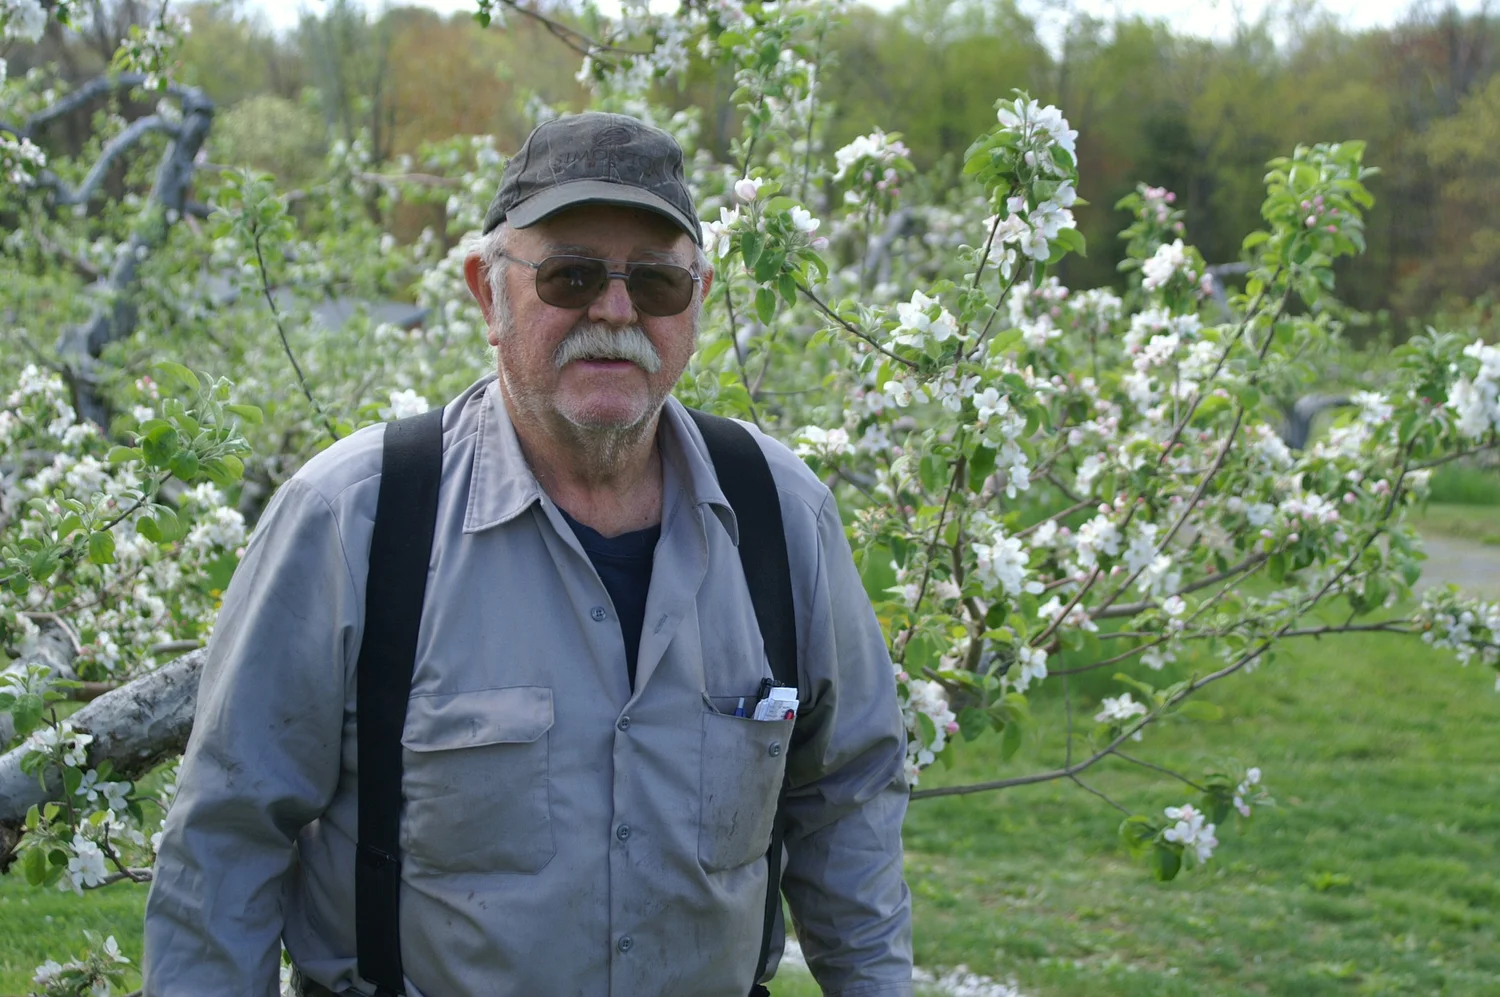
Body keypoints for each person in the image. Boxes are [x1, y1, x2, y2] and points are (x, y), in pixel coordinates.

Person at [143, 112, 913, 997]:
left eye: (656, 281)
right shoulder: (354, 519)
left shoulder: (782, 515)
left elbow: (849, 801)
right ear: (487, 292)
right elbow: (224, 845)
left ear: (697, 299)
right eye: (570, 274)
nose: (615, 311)